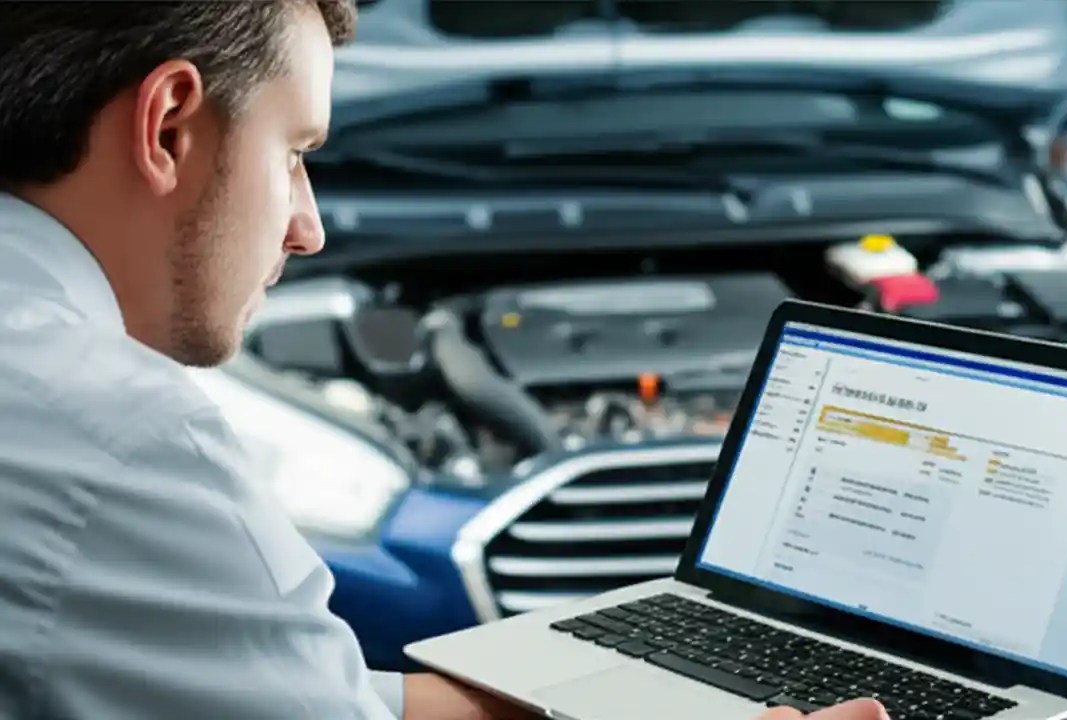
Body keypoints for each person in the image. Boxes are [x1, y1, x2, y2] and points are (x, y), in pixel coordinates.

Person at [0, 2, 891, 719]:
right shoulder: (122, 436)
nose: (308, 229)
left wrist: (576, 702)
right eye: (295, 154)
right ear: (167, 127)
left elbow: (286, 693)